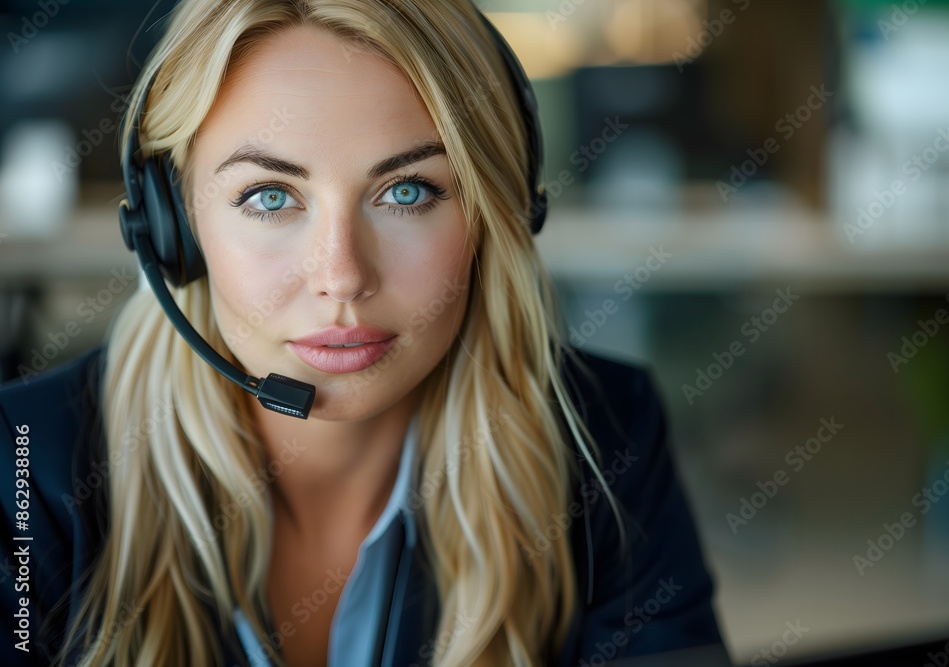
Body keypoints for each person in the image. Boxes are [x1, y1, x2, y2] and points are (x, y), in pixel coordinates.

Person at [0, 1, 726, 665]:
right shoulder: (25, 465)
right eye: (270, 196)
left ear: (495, 215)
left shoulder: (603, 436)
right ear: (173, 228)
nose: (342, 276)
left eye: (407, 192)